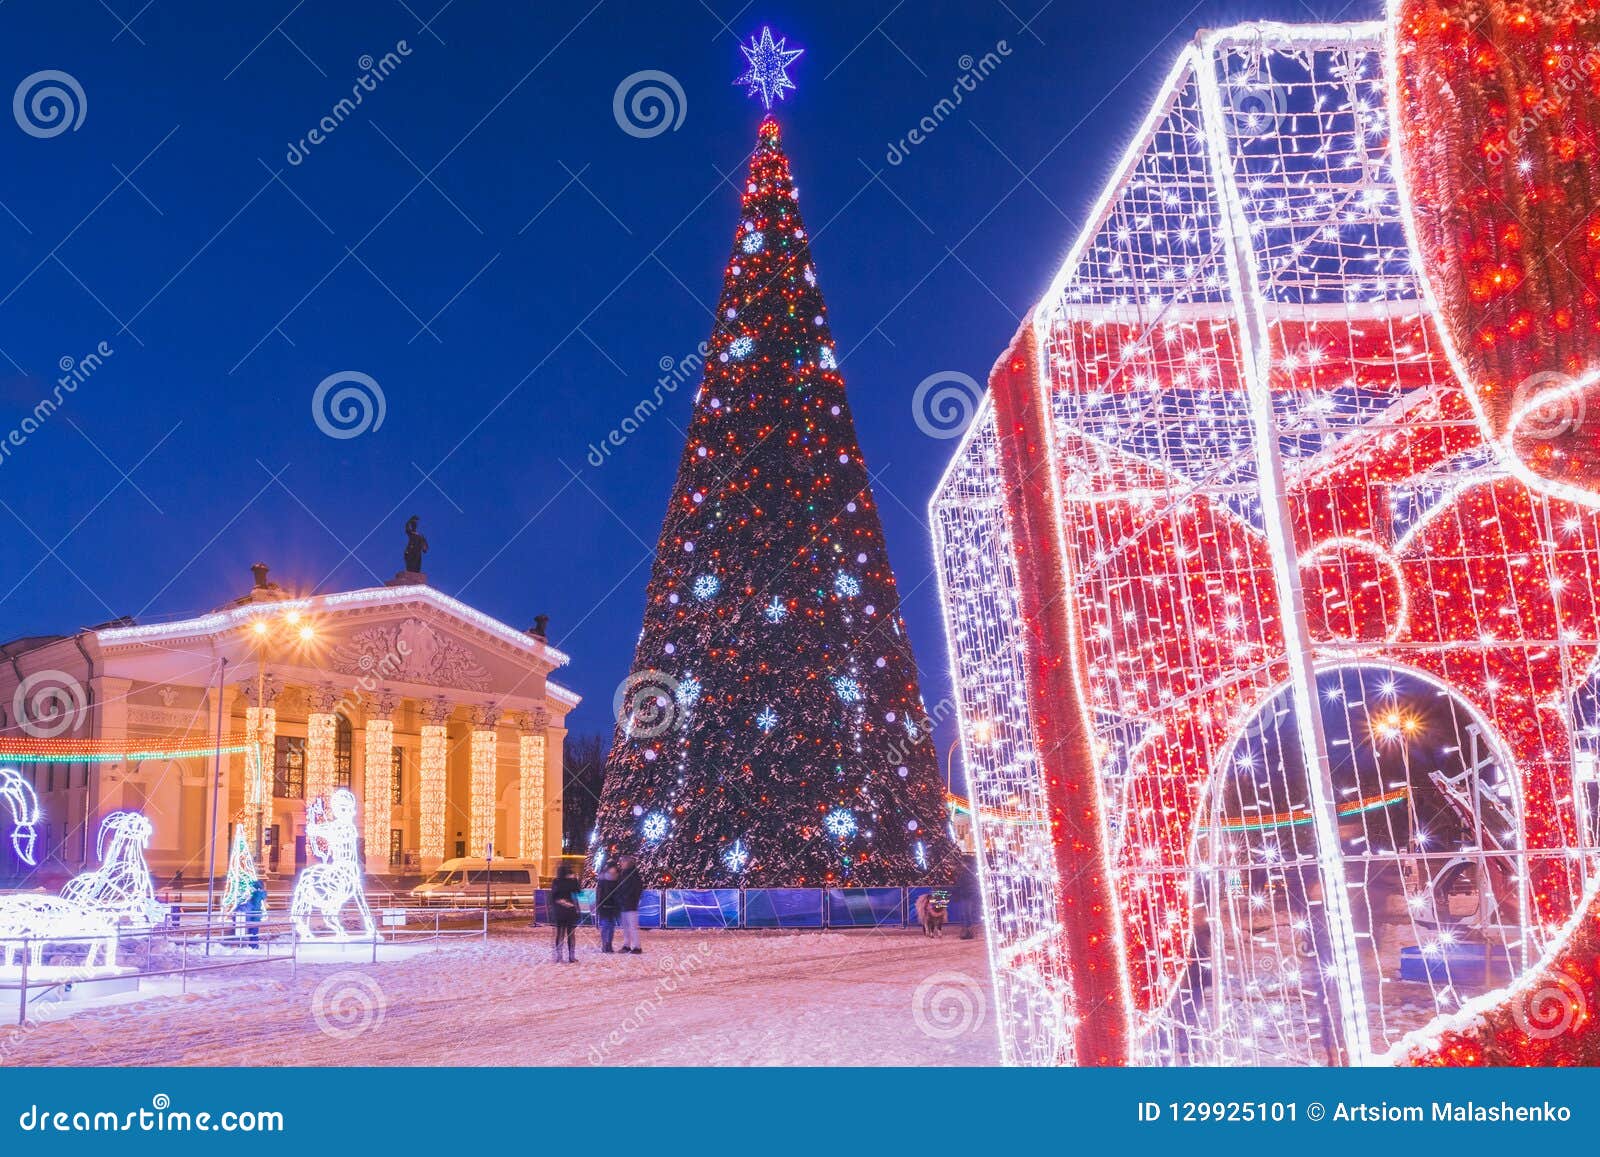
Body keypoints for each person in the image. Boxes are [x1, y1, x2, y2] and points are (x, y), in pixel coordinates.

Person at [549, 862, 581, 964]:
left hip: (559, 909)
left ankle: (559, 956)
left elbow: (553, 896)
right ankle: (571, 956)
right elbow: (578, 892)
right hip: (571, 909)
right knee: (571, 933)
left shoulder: (556, 881)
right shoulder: (572, 881)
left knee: (560, 933)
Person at [615, 855, 644, 955]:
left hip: (631, 904)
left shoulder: (633, 875)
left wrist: (628, 898)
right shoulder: (623, 874)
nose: (621, 863)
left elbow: (636, 890)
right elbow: (619, 888)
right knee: (626, 927)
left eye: (623, 862)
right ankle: (626, 945)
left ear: (628, 863)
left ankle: (637, 946)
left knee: (632, 927)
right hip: (624, 904)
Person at [594, 862, 621, 953]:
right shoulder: (602, 879)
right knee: (606, 925)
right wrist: (598, 905)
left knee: (611, 926)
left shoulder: (618, 880)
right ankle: (605, 944)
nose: (613, 870)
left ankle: (609, 944)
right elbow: (599, 893)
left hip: (613, 906)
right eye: (611, 868)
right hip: (604, 906)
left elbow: (619, 893)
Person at [954, 856, 980, 940]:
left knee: (966, 914)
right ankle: (966, 930)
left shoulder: (968, 874)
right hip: (964, 895)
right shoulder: (965, 873)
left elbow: (965, 886)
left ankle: (968, 931)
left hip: (967, 896)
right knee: (964, 914)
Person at [244, 879, 267, 948]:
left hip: (253, 912)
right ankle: (254, 944)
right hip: (257, 913)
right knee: (254, 929)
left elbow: (251, 902)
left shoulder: (255, 894)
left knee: (252, 929)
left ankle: (253, 944)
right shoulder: (261, 893)